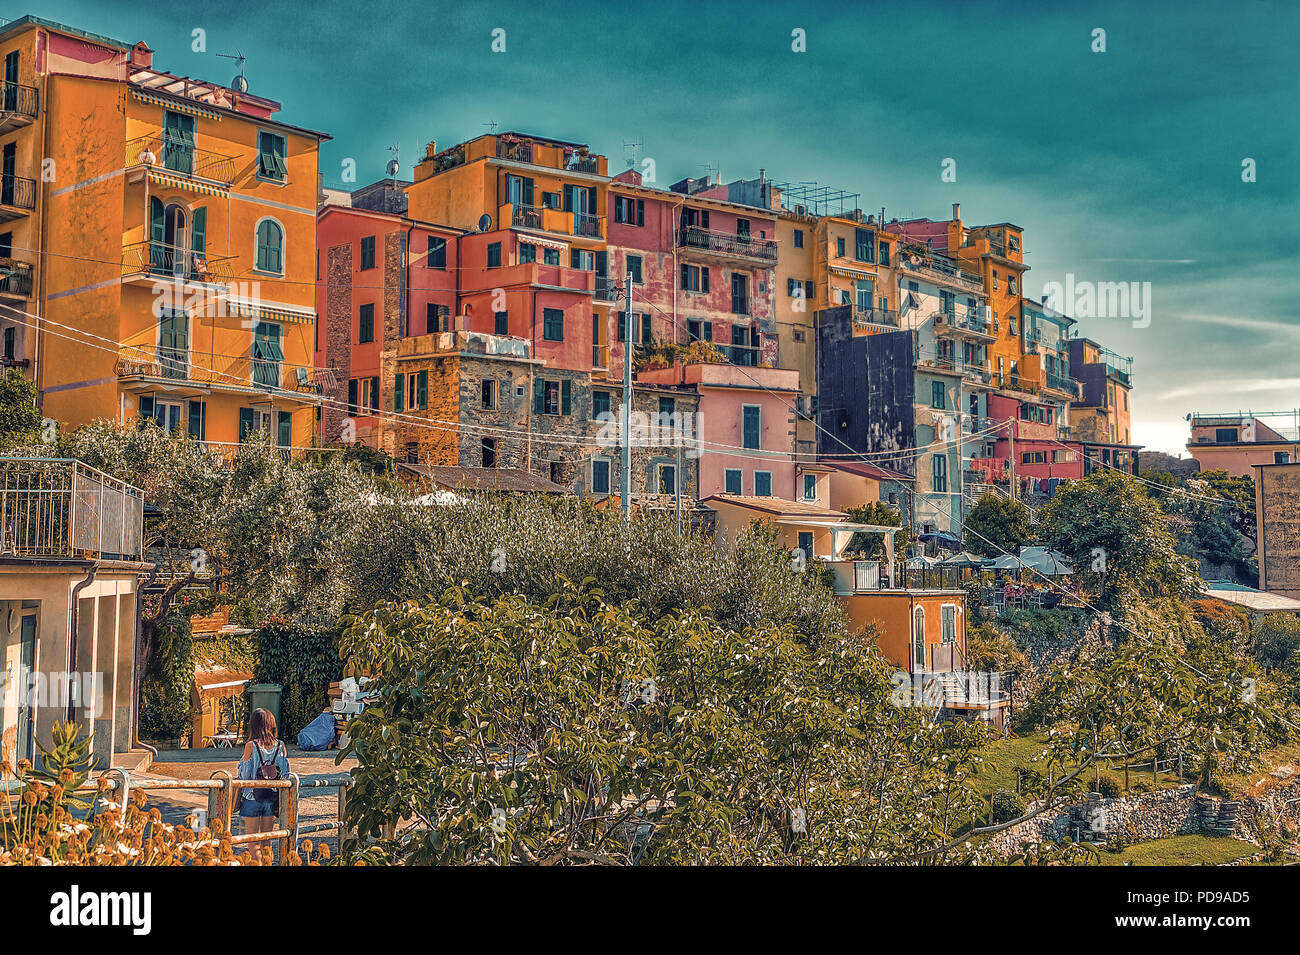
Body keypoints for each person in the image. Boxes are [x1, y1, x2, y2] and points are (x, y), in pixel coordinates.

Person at [237, 708, 291, 838]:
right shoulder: (280, 745)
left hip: (252, 797)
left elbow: (244, 776)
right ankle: (267, 859)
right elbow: (285, 774)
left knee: (252, 840)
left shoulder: (250, 746)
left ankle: (257, 860)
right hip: (271, 798)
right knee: (267, 840)